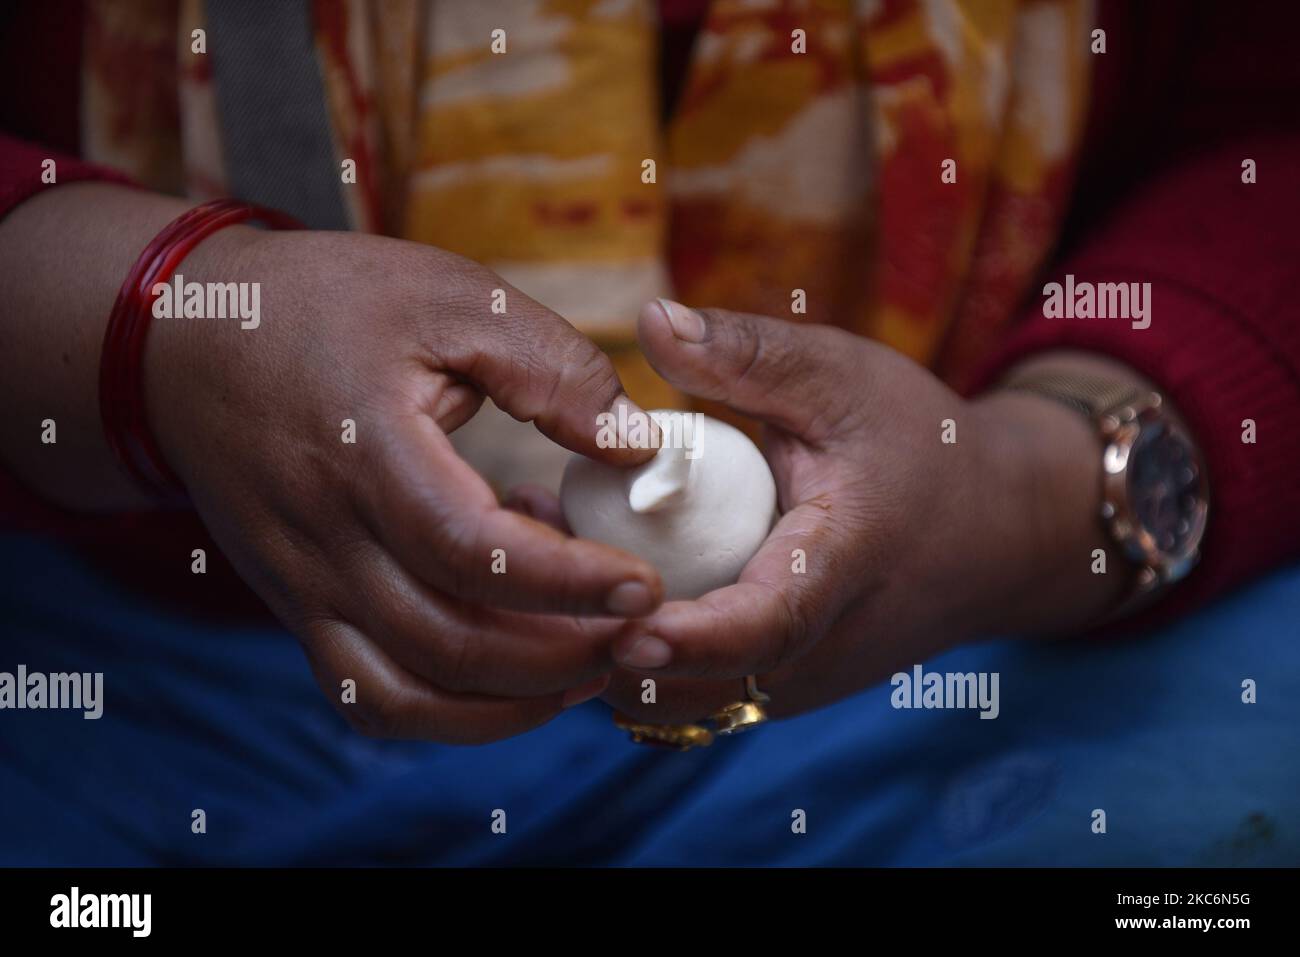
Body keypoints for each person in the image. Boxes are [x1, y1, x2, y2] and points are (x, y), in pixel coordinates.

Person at [0, 0, 1296, 865]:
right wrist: (161, 323)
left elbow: (1264, 137)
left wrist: (1029, 483)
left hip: (935, 641)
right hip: (140, 647)